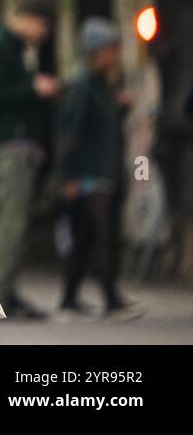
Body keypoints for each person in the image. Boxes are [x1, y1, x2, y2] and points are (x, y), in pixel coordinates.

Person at [53, 17, 144, 321]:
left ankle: (69, 298)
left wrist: (120, 108)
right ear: (98, 51)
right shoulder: (82, 86)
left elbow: (99, 126)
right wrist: (68, 176)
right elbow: (72, 133)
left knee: (85, 236)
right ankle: (110, 299)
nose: (115, 54)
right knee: (101, 234)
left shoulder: (101, 87)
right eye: (111, 48)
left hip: (98, 172)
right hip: (87, 175)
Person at [0, 0, 59, 321]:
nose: (45, 34)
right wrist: (32, 88)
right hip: (11, 144)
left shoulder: (22, 49)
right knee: (11, 222)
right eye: (43, 24)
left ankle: (7, 290)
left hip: (24, 145)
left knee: (18, 220)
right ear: (27, 17)